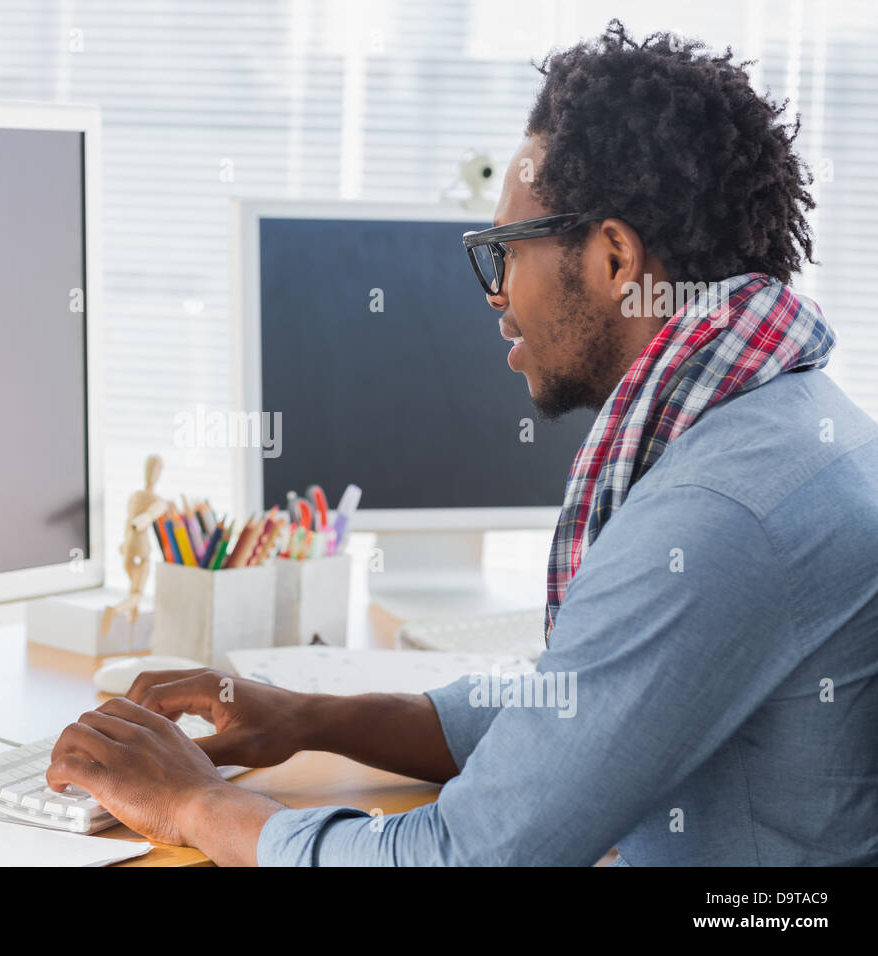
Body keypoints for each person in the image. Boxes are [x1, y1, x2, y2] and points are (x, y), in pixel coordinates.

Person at [45, 20, 878, 865]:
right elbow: (580, 703)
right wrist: (312, 716)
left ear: (615, 257)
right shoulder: (789, 420)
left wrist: (193, 804)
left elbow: (462, 858)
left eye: (504, 252)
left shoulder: (714, 516)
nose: (494, 295)